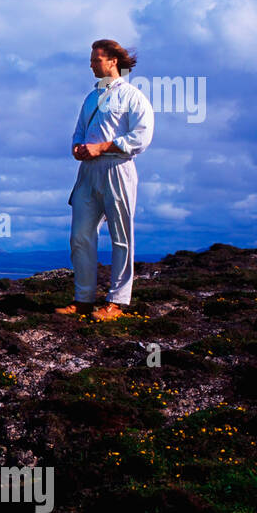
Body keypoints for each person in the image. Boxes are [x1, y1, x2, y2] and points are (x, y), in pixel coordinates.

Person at [56, 39, 154, 322]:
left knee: (121, 237)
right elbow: (79, 131)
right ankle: (83, 300)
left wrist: (102, 147)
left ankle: (117, 302)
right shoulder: (90, 98)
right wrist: (78, 146)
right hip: (87, 172)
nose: (91, 64)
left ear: (113, 61)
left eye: (96, 59)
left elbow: (142, 137)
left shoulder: (133, 97)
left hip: (117, 168)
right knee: (80, 235)